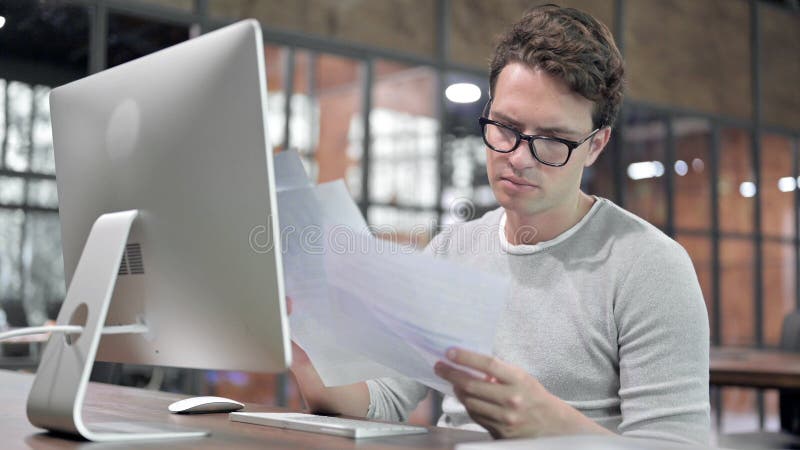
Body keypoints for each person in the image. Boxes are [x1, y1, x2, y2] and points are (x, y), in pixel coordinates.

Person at [289, 4, 710, 445]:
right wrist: (308, 358)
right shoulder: (454, 250)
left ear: (595, 145)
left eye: (551, 141)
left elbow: (677, 445)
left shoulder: (649, 266)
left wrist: (551, 425)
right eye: (505, 128)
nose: (518, 158)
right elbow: (386, 398)